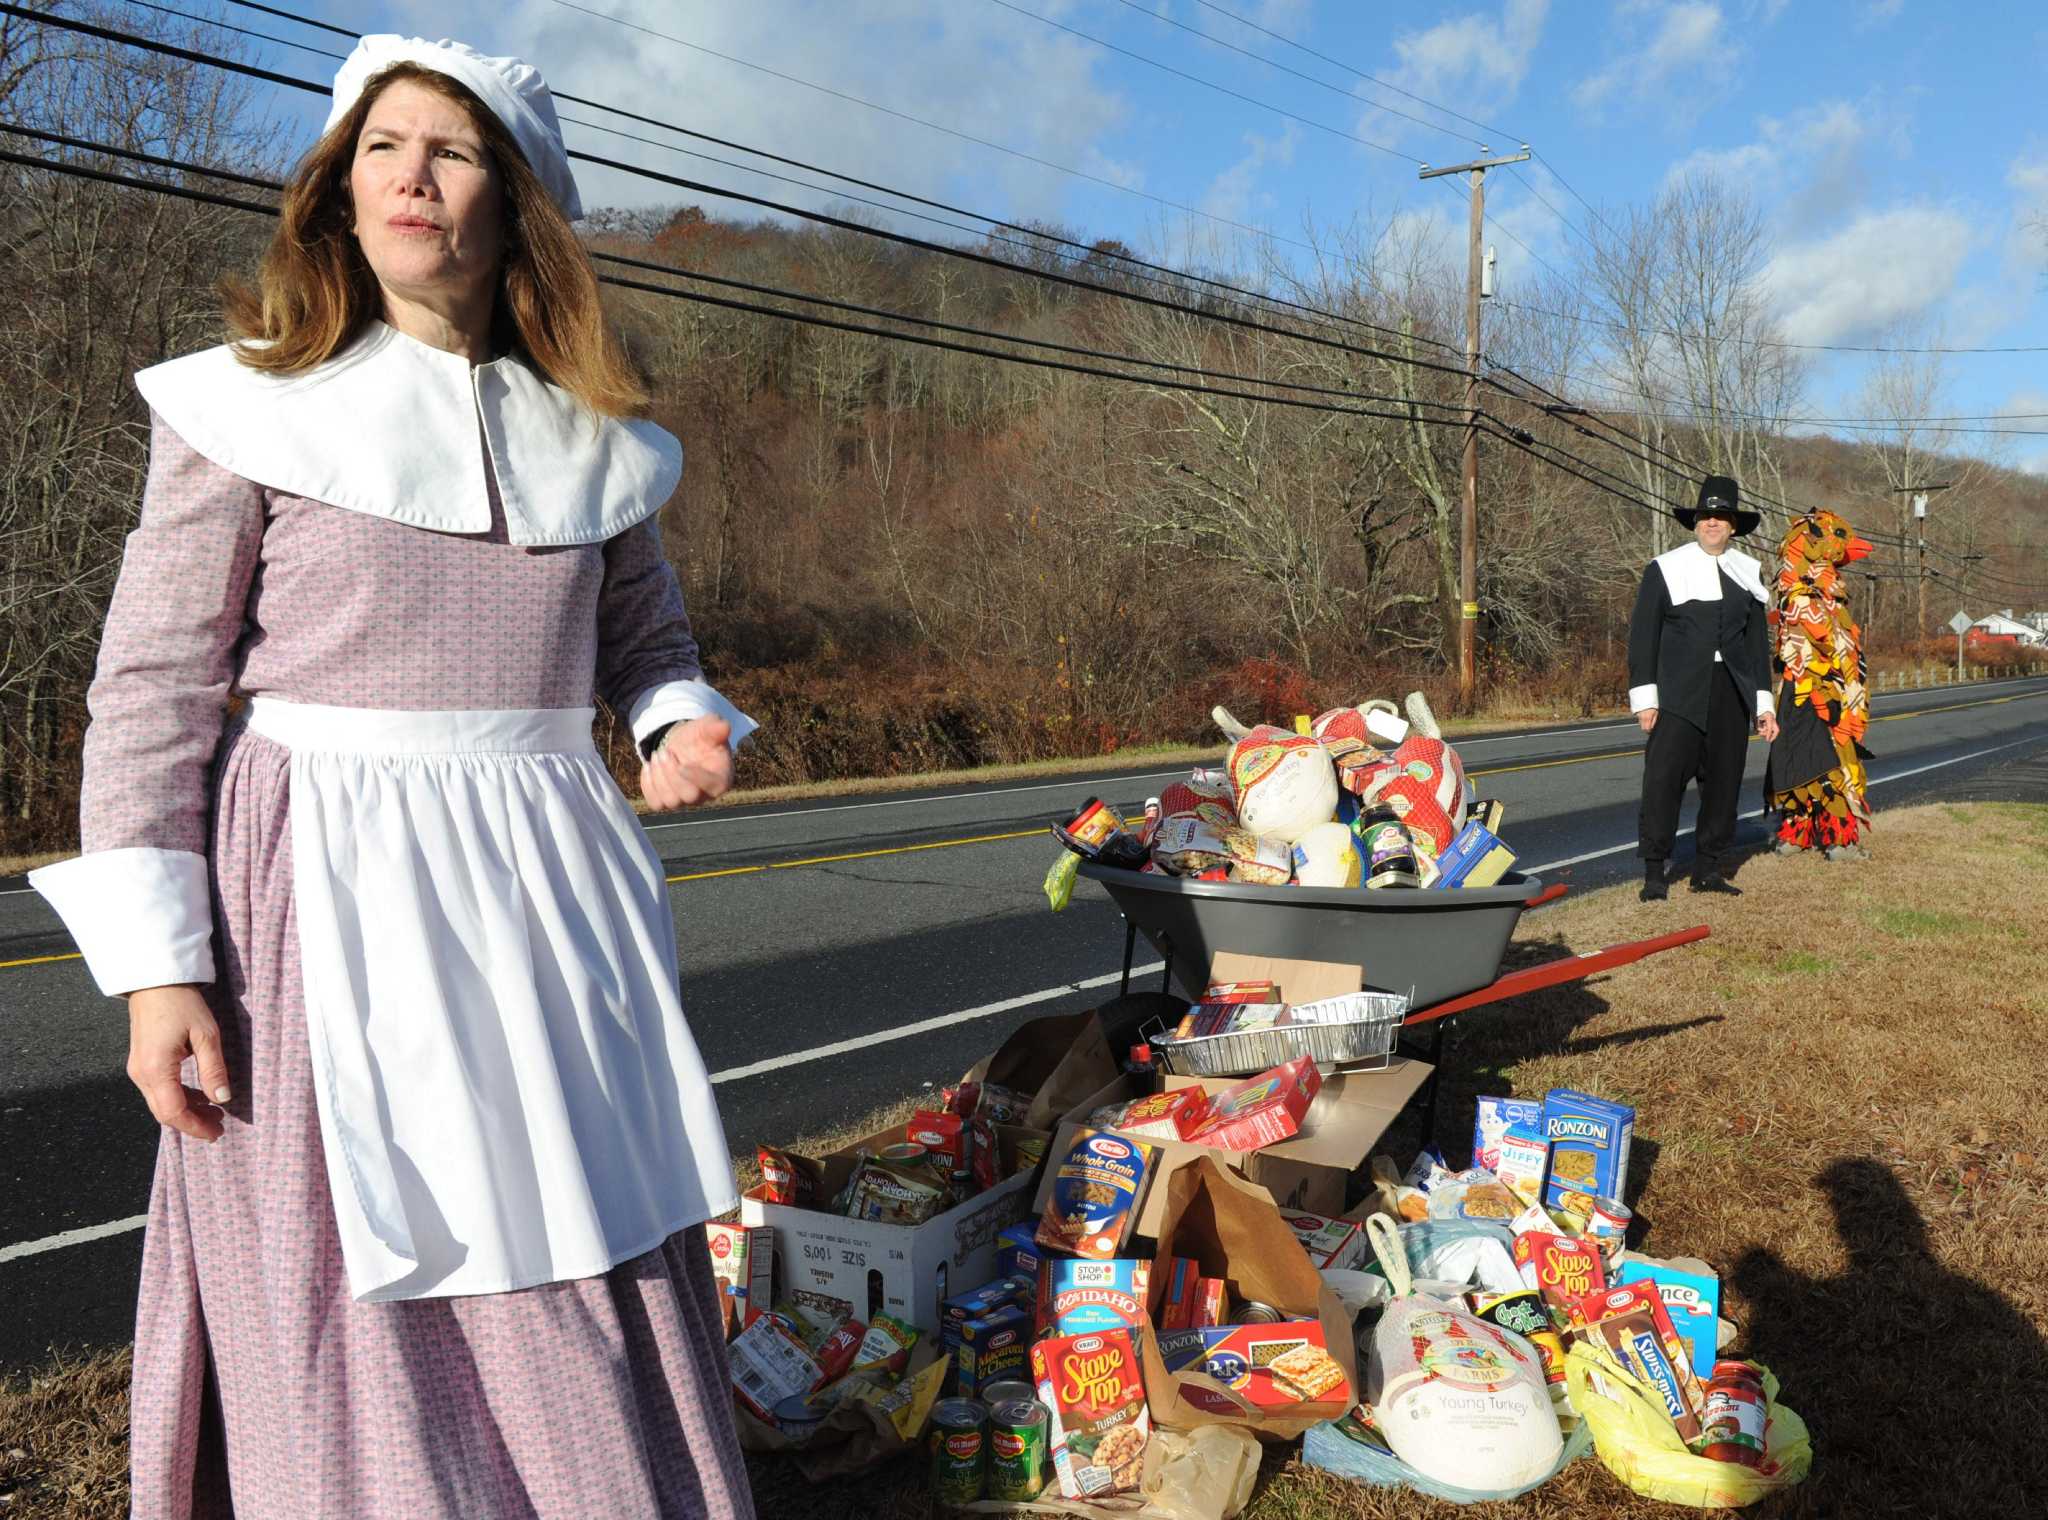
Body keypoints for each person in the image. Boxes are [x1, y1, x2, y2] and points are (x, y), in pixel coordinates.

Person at [29, 36, 756, 1519]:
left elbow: (647, 642)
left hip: (550, 892)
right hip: (318, 878)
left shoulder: (594, 444)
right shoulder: (248, 408)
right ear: (337, 194)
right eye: (381, 146)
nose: (411, 174)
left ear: (518, 204)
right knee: (354, 1244)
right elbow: (153, 693)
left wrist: (681, 719)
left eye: (453, 149)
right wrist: (158, 975)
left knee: (576, 1230)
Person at [1627, 475, 1779, 901]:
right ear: (1696, 523)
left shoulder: (1748, 572)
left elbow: (1754, 647)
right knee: (1662, 782)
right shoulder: (1664, 568)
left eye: (1721, 516)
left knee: (1724, 783)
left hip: (1730, 692)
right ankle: (1656, 874)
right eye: (1706, 516)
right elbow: (1643, 638)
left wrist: (1762, 706)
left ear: (1734, 525)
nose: (1712, 522)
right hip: (1676, 692)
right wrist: (1645, 700)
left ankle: (1708, 870)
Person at [1764, 510, 1875, 858]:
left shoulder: (1803, 589)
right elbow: (1822, 640)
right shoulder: (1804, 591)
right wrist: (1836, 686)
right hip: (1819, 691)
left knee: (1802, 756)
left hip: (1805, 690)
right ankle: (1838, 840)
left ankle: (1796, 835)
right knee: (1830, 760)